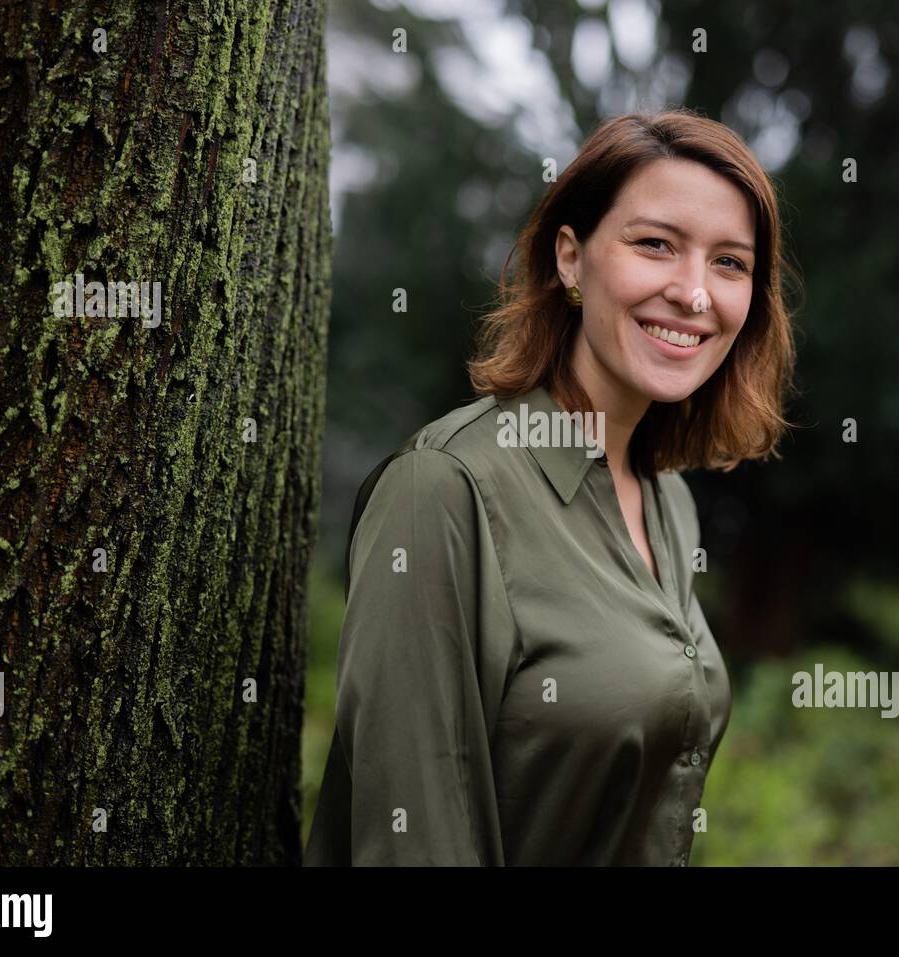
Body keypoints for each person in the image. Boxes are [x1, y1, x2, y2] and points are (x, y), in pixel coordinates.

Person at [305, 107, 798, 866]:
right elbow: (417, 838)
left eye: (729, 262)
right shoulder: (444, 490)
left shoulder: (669, 499)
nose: (695, 293)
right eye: (656, 244)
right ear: (570, 259)